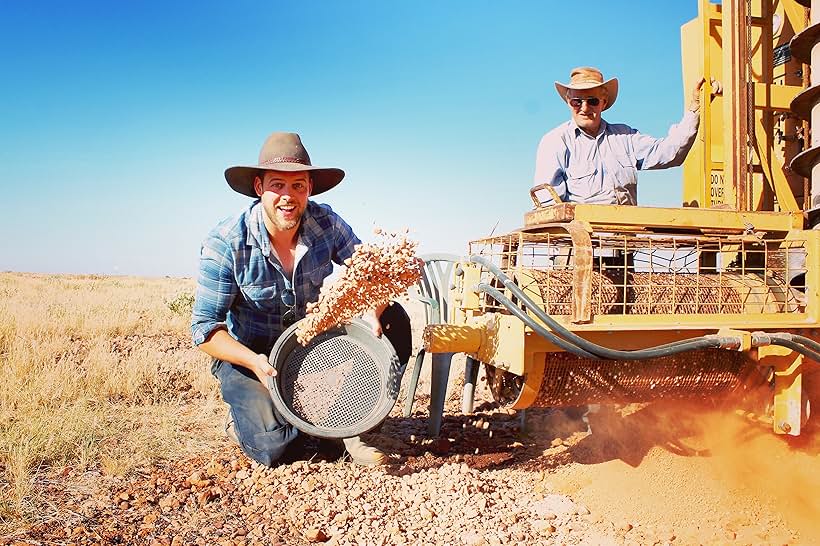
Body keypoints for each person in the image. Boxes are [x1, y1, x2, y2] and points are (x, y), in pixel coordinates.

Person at [191, 131, 403, 467]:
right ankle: (246, 423)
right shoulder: (227, 242)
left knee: (395, 318)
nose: (288, 197)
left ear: (310, 189)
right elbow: (205, 329)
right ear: (259, 187)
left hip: (307, 343)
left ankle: (350, 426)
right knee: (277, 448)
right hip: (252, 353)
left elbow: (371, 271)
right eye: (278, 185)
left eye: (298, 186)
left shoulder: (326, 223)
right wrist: (254, 363)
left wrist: (376, 307)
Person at [532, 66, 718, 206]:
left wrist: (696, 107)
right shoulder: (555, 142)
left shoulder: (625, 137)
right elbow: (548, 204)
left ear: (603, 102)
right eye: (576, 102)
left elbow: (670, 153)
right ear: (568, 102)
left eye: (593, 101)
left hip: (622, 248)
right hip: (578, 250)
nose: (585, 108)